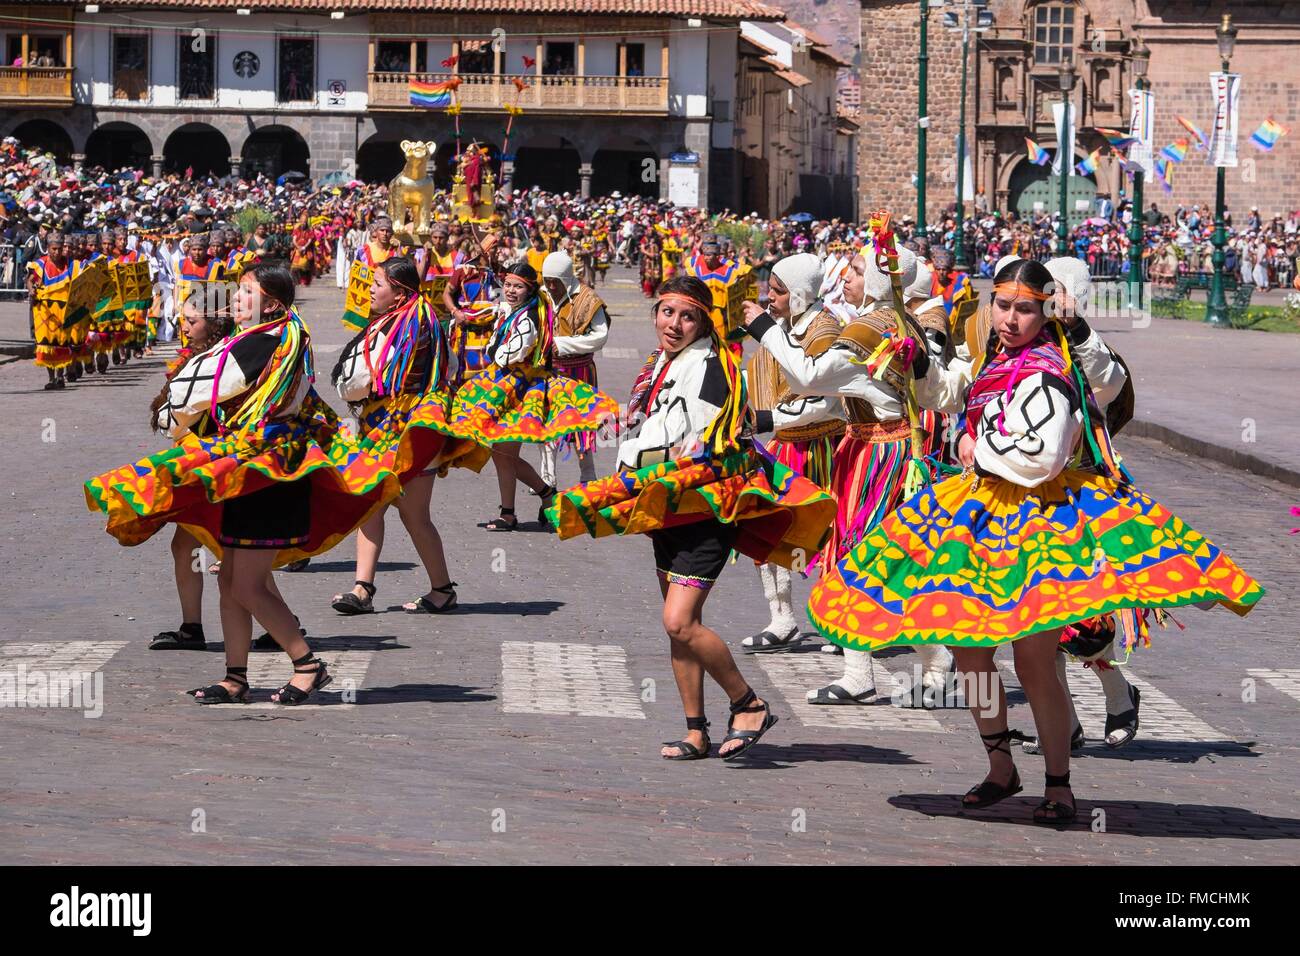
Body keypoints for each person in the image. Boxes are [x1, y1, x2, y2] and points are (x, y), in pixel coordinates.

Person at [807, 258, 1263, 824]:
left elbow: (1045, 453)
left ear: (1047, 309)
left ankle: (1059, 783)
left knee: (1033, 658)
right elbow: (952, 394)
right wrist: (918, 364)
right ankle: (1002, 765)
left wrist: (978, 450)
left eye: (1025, 308)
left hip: (1040, 520)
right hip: (977, 515)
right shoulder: (993, 356)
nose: (1010, 318)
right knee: (966, 646)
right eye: (1003, 305)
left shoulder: (1054, 366)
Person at [547, 276, 835, 760]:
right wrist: (619, 431)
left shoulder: (712, 366)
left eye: (686, 316)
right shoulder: (663, 361)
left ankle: (749, 704)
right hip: (668, 506)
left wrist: (630, 458)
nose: (673, 324)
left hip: (703, 506)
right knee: (680, 625)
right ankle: (695, 730)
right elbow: (654, 421)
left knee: (679, 622)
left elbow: (696, 443)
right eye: (666, 312)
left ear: (703, 321)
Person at [85, 263, 400, 704]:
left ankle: (307, 664)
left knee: (246, 585)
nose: (235, 298)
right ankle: (235, 678)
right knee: (230, 579)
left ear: (270, 303)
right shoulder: (272, 340)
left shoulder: (262, 342)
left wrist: (168, 415)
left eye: (246, 292)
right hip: (253, 472)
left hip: (266, 476)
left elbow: (197, 393)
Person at [742, 243, 953, 702]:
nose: (846, 279)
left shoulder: (869, 325)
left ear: (878, 280)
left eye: (857, 271)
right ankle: (919, 663)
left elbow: (810, 377)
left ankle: (892, 668)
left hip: (877, 454)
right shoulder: (893, 319)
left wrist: (763, 330)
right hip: (873, 446)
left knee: (860, 558)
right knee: (874, 559)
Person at [328, 257, 488, 616]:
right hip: (414, 427)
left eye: (377, 284)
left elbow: (359, 383)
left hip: (399, 431)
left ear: (398, 293)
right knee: (393, 509)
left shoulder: (396, 329)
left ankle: (418, 589)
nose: (370, 289)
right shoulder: (425, 319)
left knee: (394, 508)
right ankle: (370, 587)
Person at [450, 261, 618, 531]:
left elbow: (508, 354)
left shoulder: (529, 318)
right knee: (501, 452)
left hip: (520, 389)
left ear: (529, 290)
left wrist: (497, 349)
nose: (511, 290)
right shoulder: (514, 311)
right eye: (508, 285)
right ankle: (538, 498)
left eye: (518, 286)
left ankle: (530, 502)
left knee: (506, 451)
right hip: (505, 383)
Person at [738, 253, 845, 653]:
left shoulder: (825, 330)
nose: (770, 297)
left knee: (824, 535)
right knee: (768, 530)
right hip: (783, 443)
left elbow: (824, 399)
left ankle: (836, 620)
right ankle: (781, 618)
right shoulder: (783, 324)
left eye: (779, 291)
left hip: (821, 446)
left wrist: (766, 419)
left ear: (800, 295)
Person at [537, 251, 611, 506]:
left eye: (556, 280)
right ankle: (547, 480)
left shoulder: (589, 300)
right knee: (547, 426)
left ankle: (588, 475)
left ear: (567, 277)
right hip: (550, 373)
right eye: (548, 279)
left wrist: (563, 344)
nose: (551, 285)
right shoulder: (542, 295)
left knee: (583, 425)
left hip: (579, 372)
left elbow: (599, 337)